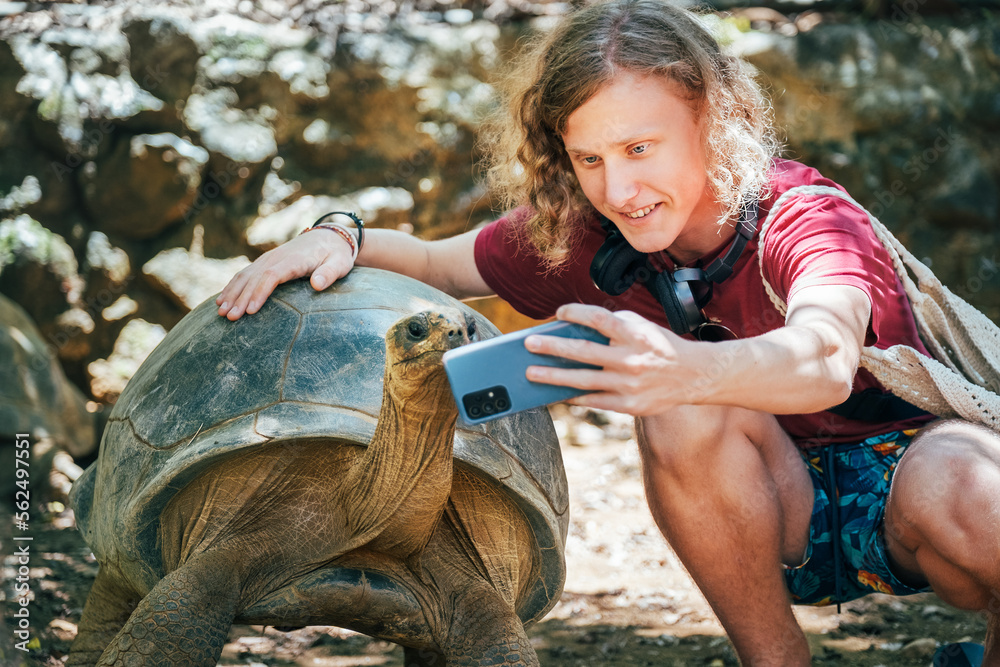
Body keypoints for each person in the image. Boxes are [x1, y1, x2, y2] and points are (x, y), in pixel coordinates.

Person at [217, 1, 1000, 664]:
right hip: (767, 504)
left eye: (638, 148)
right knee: (683, 409)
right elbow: (431, 259)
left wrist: (683, 365)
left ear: (711, 120)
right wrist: (337, 234)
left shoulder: (805, 216)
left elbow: (825, 356)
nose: (619, 188)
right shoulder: (589, 235)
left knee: (969, 483)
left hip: (916, 490)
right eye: (589, 157)